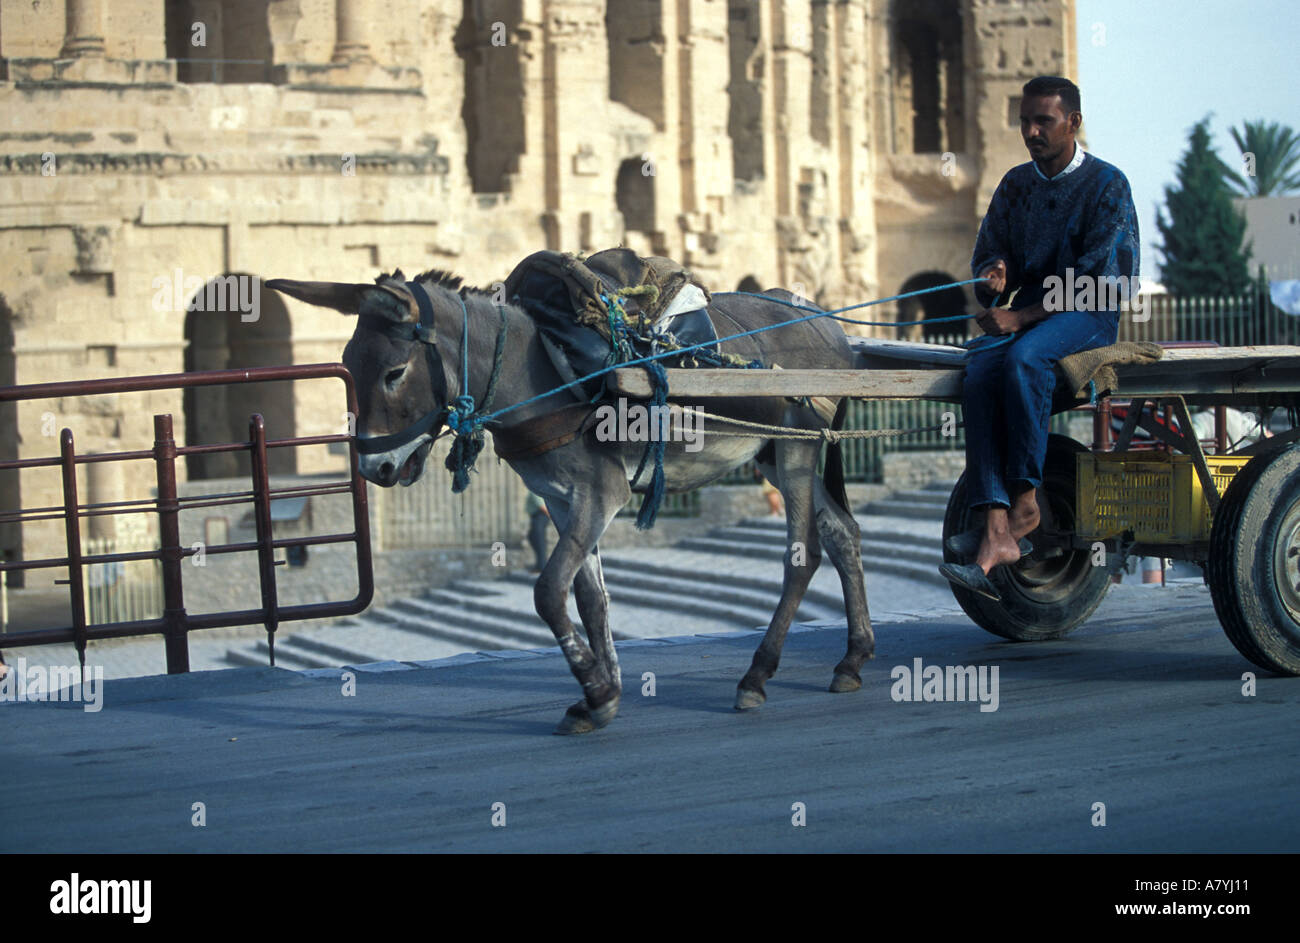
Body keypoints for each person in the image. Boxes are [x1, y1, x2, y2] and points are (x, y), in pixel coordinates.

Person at [940, 75, 1140, 601]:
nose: (1031, 131)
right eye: (1025, 121)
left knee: (1024, 358)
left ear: (1073, 122)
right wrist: (994, 274)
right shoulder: (1015, 184)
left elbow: (1102, 279)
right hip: (1033, 312)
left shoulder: (1108, 184)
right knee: (980, 365)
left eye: (1043, 121)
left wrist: (1020, 315)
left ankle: (1026, 500)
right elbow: (989, 250)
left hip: (1088, 312)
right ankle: (996, 523)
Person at [525, 491, 550, 573]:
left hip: (540, 516)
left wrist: (551, 516)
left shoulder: (536, 491)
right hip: (537, 516)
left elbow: (542, 506)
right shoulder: (535, 490)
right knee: (533, 538)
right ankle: (540, 565)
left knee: (539, 542)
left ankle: (542, 567)